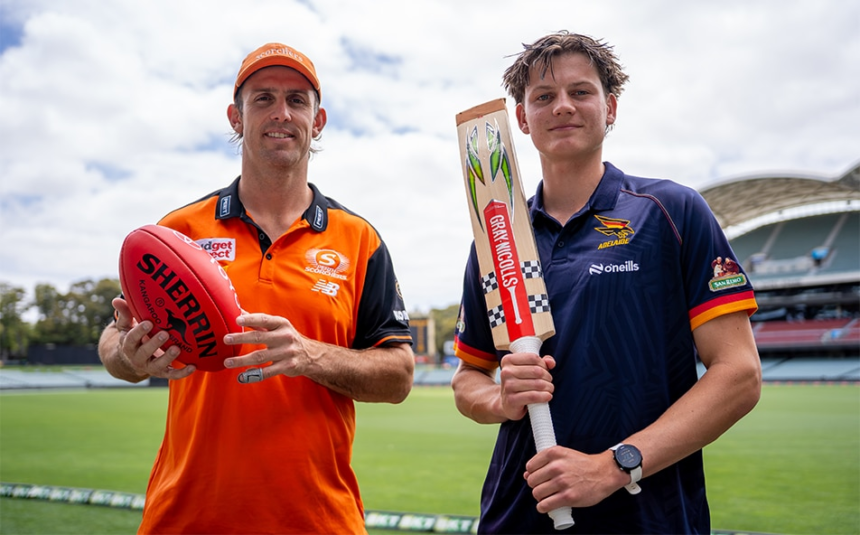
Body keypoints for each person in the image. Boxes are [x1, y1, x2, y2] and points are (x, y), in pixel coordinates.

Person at [451, 31, 761, 534]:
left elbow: (739, 375)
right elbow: (469, 377)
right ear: (523, 119)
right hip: (519, 512)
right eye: (544, 97)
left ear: (610, 107)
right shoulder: (497, 239)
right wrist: (499, 399)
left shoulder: (670, 212)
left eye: (581, 92)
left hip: (649, 515)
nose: (563, 107)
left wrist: (614, 466)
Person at [98, 42, 415, 534]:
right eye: (263, 98)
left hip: (319, 521)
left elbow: (398, 376)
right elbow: (114, 338)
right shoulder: (178, 231)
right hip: (186, 518)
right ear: (236, 117)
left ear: (319, 119)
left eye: (297, 100)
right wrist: (127, 356)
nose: (281, 113)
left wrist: (307, 354)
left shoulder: (359, 240)